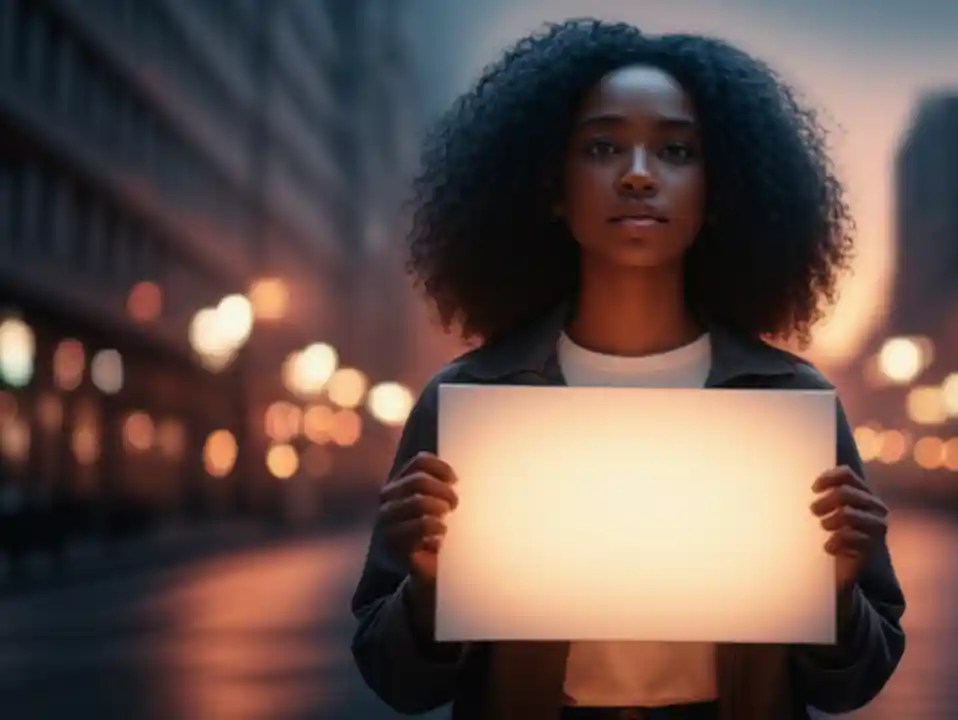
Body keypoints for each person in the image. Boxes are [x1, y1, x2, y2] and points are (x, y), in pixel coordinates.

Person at [350, 18, 906, 720]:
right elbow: (397, 680)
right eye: (603, 146)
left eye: (676, 150)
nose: (639, 175)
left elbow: (851, 685)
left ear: (717, 192)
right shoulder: (471, 398)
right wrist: (428, 589)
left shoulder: (791, 400)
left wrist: (836, 593)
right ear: (551, 183)